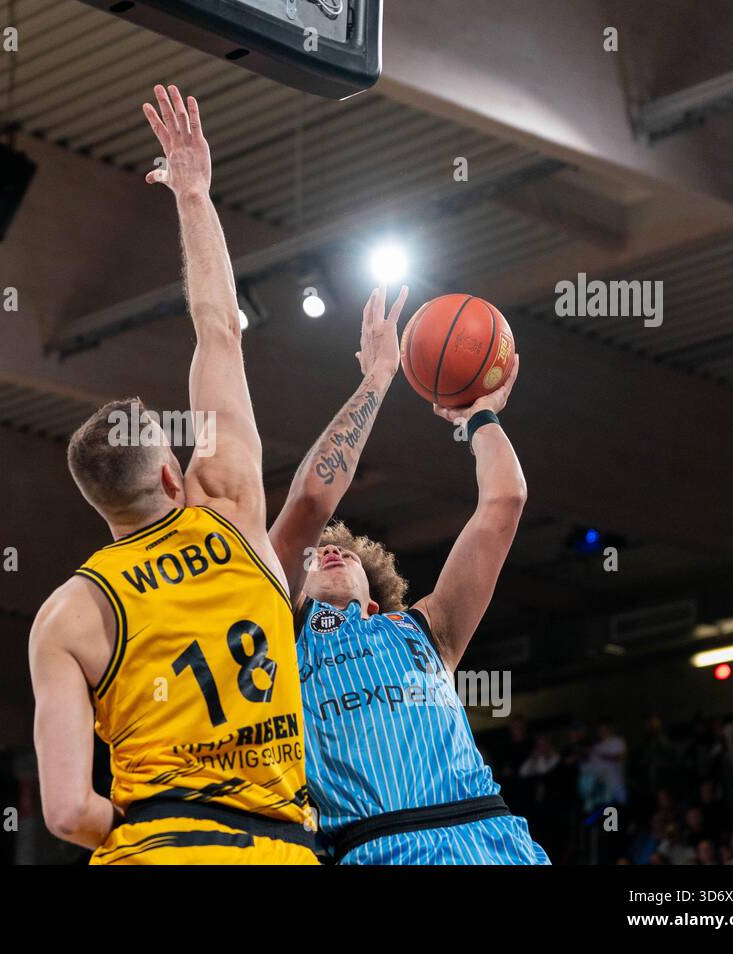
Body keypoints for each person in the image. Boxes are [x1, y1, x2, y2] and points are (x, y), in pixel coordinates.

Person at [28, 86, 314, 864]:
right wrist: (194, 193)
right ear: (170, 475)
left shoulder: (70, 614)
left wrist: (157, 830)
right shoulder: (226, 503)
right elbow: (219, 329)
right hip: (279, 848)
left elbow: (65, 811)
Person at [266, 288, 546, 864]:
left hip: (495, 842)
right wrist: (378, 379)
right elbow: (314, 497)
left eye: (342, 555)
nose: (328, 555)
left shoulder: (426, 633)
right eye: (315, 557)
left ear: (375, 596)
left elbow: (505, 501)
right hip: (376, 848)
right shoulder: (277, 640)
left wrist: (479, 418)